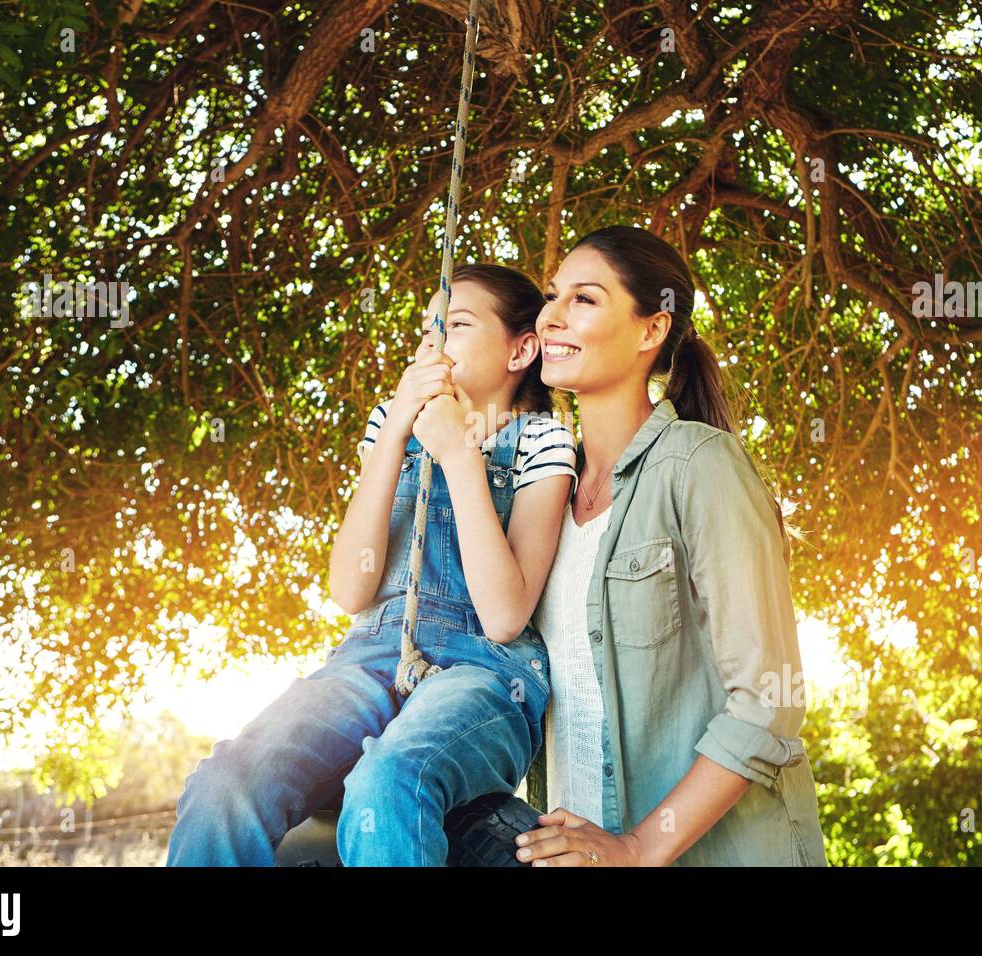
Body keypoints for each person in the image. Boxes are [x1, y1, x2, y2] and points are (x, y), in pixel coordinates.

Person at [165, 264, 575, 866]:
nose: (432, 343)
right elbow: (351, 590)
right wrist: (396, 435)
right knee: (225, 780)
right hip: (373, 654)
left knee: (388, 783)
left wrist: (460, 453)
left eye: (456, 325)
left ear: (522, 348)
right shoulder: (390, 425)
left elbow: (505, 617)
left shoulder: (542, 440)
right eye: (428, 330)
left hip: (485, 670)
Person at [512, 225, 829, 866]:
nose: (550, 316)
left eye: (585, 299)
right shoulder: (540, 496)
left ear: (652, 330)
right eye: (552, 296)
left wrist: (636, 848)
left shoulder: (698, 464)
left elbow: (770, 699)